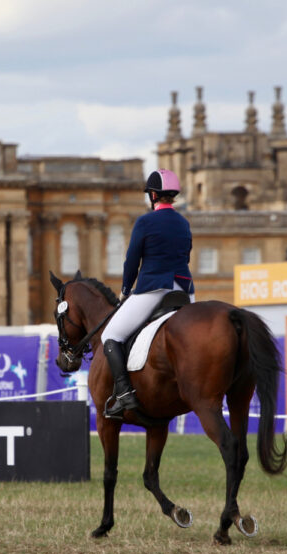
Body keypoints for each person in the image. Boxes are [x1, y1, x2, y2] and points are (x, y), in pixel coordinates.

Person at [100, 168, 194, 419]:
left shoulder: (145, 222)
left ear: (153, 195)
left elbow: (132, 261)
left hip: (154, 288)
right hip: (184, 290)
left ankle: (123, 394)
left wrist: (124, 290)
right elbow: (185, 256)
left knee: (111, 335)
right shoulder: (184, 223)